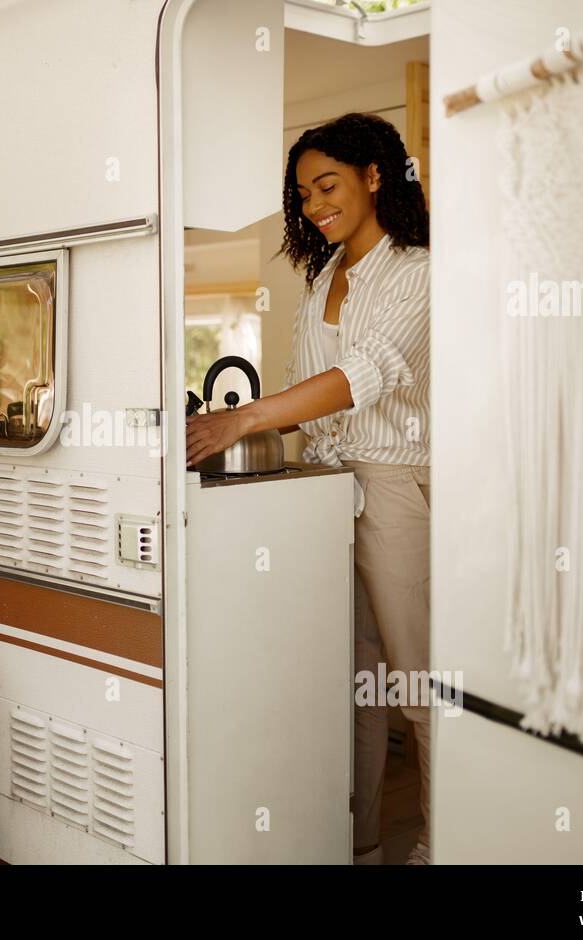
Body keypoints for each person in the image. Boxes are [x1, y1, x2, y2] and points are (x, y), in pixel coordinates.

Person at [185, 112, 432, 865]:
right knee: (346, 679)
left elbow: (367, 376)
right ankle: (350, 843)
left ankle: (444, 844)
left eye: (328, 184)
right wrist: (234, 436)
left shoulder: (421, 270)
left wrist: (247, 419)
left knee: (417, 677)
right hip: (326, 490)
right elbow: (306, 393)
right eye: (304, 193)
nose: (316, 203)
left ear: (374, 176)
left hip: (393, 487)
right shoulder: (322, 274)